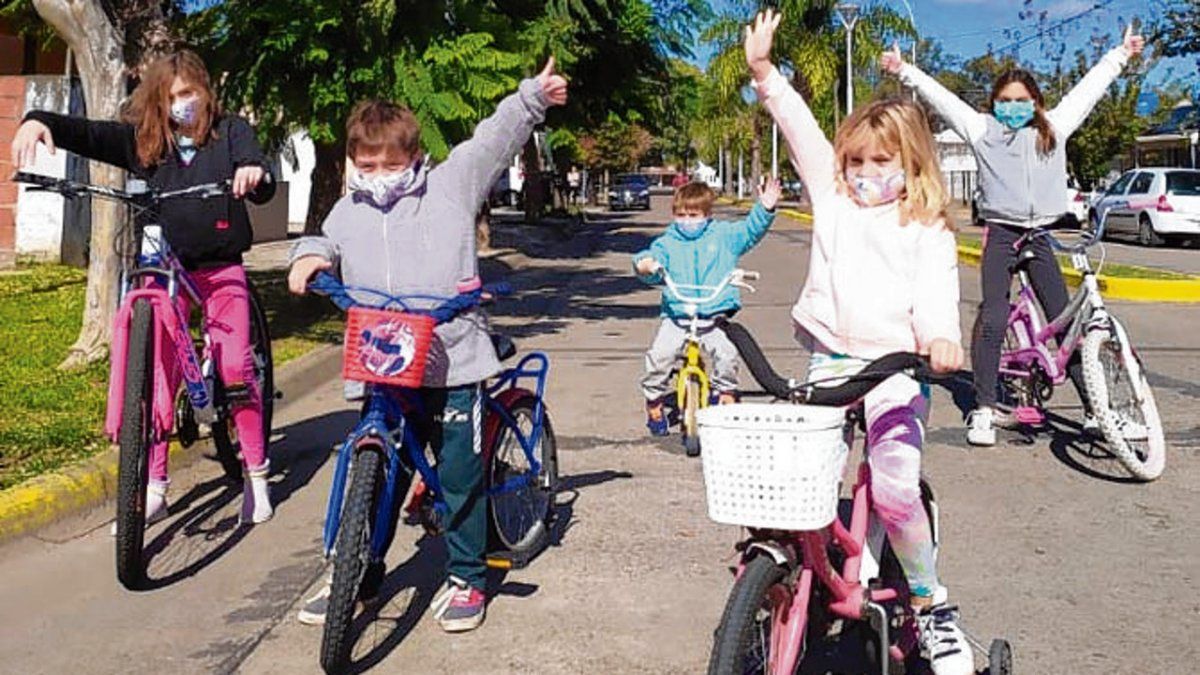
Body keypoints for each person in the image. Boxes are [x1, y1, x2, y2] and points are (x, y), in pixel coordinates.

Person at [287, 57, 568, 633]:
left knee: (462, 472)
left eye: (391, 163)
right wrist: (308, 258)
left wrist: (532, 97)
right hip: (383, 358)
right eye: (367, 164)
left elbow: (493, 138)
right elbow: (321, 239)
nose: (379, 174)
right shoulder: (348, 208)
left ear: (414, 157)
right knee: (378, 470)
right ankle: (354, 574)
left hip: (452, 354)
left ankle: (469, 575)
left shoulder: (449, 186)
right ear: (353, 162)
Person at [746, 10, 973, 674]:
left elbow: (937, 294)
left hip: (899, 368)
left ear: (911, 163)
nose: (865, 171)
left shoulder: (926, 226)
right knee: (798, 482)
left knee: (898, 490)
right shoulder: (834, 197)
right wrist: (764, 72)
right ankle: (798, 571)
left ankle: (931, 606)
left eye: (882, 161)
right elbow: (802, 130)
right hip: (832, 357)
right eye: (855, 161)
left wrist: (939, 339)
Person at [11, 50, 276, 525]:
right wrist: (37, 119)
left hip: (220, 270)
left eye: (189, 92)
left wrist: (253, 174)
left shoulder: (230, 131)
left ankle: (257, 474)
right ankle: (155, 485)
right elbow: (91, 134)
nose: (182, 103)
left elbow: (258, 173)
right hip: (165, 272)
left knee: (235, 368)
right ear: (159, 100)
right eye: (172, 96)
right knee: (157, 377)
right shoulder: (148, 143)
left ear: (205, 91)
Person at [882, 25, 1146, 446]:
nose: (1013, 107)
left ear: (1036, 103)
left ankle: (1098, 413)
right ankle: (984, 409)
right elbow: (942, 98)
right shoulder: (981, 128)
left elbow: (1089, 89)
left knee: (1065, 321)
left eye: (1022, 101)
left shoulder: (1054, 127)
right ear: (993, 105)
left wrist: (1121, 54)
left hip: (1041, 234)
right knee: (994, 316)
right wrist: (904, 70)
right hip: (1002, 233)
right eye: (1005, 102)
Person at [633, 179, 779, 436]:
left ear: (707, 214)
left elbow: (750, 231)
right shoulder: (667, 243)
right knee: (660, 356)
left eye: (693, 215)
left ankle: (725, 392)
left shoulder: (724, 236)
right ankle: (654, 402)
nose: (687, 220)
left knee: (726, 352)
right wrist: (645, 265)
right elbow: (651, 261)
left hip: (715, 313)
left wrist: (764, 207)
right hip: (678, 315)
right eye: (681, 215)